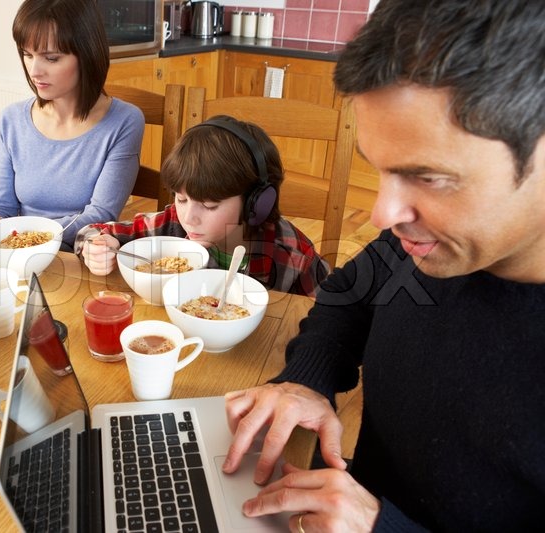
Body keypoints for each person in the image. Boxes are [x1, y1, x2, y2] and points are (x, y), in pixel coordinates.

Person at [221, 0, 545, 530]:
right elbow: (349, 295)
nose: (383, 214)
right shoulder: (422, 244)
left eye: (429, 177)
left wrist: (380, 527)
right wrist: (308, 379)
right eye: (382, 172)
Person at [0, 0, 144, 250]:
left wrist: (19, 235)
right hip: (17, 253)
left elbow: (100, 216)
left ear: (87, 55)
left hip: (81, 259)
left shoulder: (125, 121)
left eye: (51, 58)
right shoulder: (12, 119)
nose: (34, 70)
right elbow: (1, 208)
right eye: (27, 55)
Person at [76, 115, 330, 297]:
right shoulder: (174, 222)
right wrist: (96, 248)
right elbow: (93, 232)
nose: (189, 217)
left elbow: (336, 310)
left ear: (257, 204)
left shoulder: (291, 251)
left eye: (209, 205)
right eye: (181, 198)